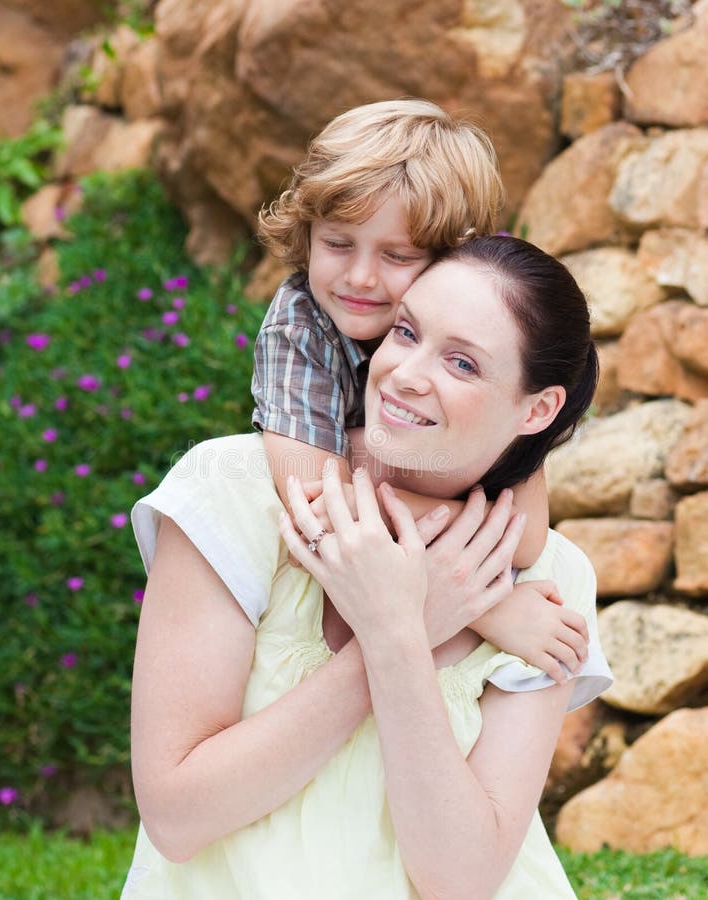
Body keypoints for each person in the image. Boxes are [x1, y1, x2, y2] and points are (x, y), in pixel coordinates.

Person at [122, 236, 613, 899]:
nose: (406, 373)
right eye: (405, 331)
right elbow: (177, 818)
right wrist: (404, 625)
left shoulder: (550, 579)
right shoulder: (237, 489)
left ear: (538, 409)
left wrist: (396, 636)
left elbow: (461, 878)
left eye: (463, 363)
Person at [252, 98, 586, 680]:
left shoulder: (486, 330)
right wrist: (494, 608)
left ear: (450, 255)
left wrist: (363, 460)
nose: (360, 277)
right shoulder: (300, 323)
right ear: (307, 234)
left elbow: (526, 538)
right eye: (337, 243)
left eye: (397, 255)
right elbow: (313, 498)